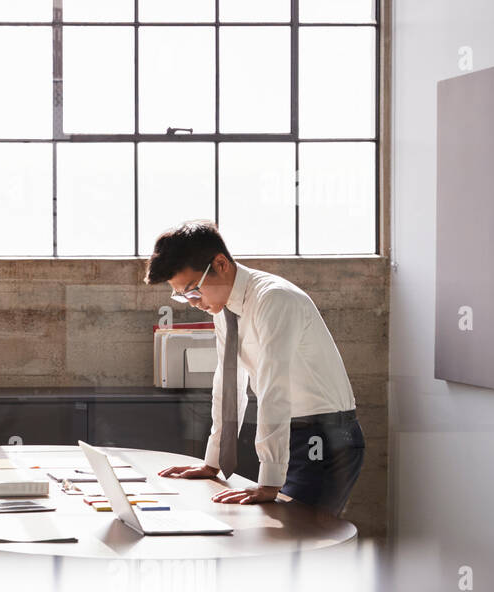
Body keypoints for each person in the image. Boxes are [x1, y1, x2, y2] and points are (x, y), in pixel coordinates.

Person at [142, 221, 365, 518]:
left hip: (323, 437)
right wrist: (213, 461)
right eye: (183, 295)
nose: (193, 303)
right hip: (290, 431)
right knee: (281, 538)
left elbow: (275, 388)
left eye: (193, 290)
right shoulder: (224, 309)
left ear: (220, 264)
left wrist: (270, 482)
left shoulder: (274, 299)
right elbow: (228, 383)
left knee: (301, 537)